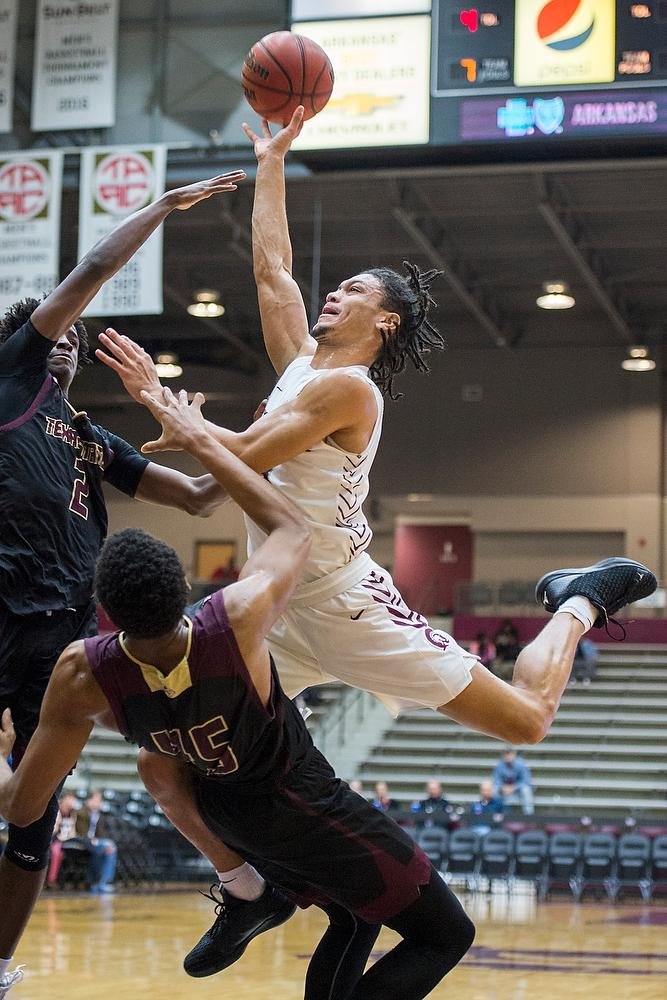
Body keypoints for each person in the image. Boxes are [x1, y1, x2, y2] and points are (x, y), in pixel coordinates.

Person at [96, 107, 657, 969]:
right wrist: (272, 158)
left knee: (526, 720)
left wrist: (170, 415)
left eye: (356, 289)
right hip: (273, 611)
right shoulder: (300, 368)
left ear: (385, 320)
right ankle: (249, 892)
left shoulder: (352, 392)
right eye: (341, 283)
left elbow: (236, 461)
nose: (336, 292)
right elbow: (272, 266)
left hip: (345, 604)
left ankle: (577, 599)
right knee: (169, 764)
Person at [0, 389, 475, 999]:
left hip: (228, 823)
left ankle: (244, 890)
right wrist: (214, 442)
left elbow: (20, 807)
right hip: (298, 806)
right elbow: (293, 526)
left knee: (353, 912)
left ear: (107, 613)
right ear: (182, 588)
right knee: (444, 935)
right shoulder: (237, 620)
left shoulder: (85, 675)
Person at [0, 166, 245, 997]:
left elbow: (202, 491)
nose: (66, 339)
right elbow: (90, 273)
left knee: (33, 818)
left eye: (74, 338)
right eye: (54, 334)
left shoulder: (89, 435)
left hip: (63, 630)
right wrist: (165, 206)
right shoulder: (10, 381)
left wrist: (242, 430)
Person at [75, 789, 117, 894]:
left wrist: (98, 841)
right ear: (88, 801)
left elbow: (100, 835)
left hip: (95, 842)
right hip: (82, 841)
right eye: (96, 800)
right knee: (104, 848)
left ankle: (101, 882)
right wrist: (94, 841)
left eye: (100, 801)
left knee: (109, 848)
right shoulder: (81, 813)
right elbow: (80, 833)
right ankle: (99, 883)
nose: (99, 803)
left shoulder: (99, 815)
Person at [46, 792, 79, 888]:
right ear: (64, 799)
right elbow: (54, 830)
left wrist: (72, 838)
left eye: (73, 799)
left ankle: (73, 880)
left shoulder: (73, 813)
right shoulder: (57, 811)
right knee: (57, 853)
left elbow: (73, 830)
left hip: (68, 839)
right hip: (56, 838)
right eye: (69, 799)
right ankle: (51, 880)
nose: (72, 802)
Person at [492, 747, 534, 816]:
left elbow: (526, 781)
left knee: (526, 789)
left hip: (518, 791)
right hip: (504, 791)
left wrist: (514, 787)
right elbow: (496, 781)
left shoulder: (521, 764)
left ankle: (529, 816)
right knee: (494, 789)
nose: (508, 757)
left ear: (514, 755)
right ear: (503, 756)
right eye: (506, 754)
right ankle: (495, 814)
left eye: (510, 754)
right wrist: (503, 787)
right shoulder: (499, 765)